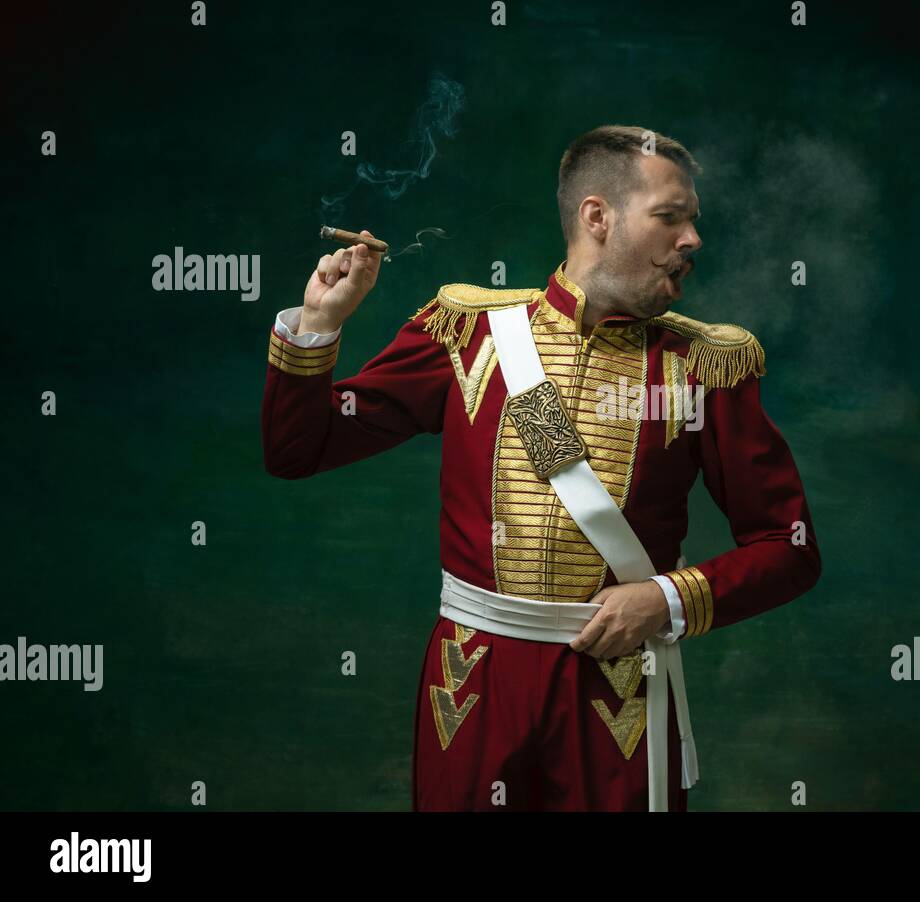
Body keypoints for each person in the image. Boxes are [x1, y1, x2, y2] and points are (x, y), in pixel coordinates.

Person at [261, 125, 821, 811]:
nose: (693, 240)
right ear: (597, 216)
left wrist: (666, 600)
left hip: (618, 699)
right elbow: (297, 450)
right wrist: (319, 323)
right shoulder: (468, 333)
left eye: (693, 222)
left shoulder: (703, 367)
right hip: (469, 690)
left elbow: (788, 549)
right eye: (670, 219)